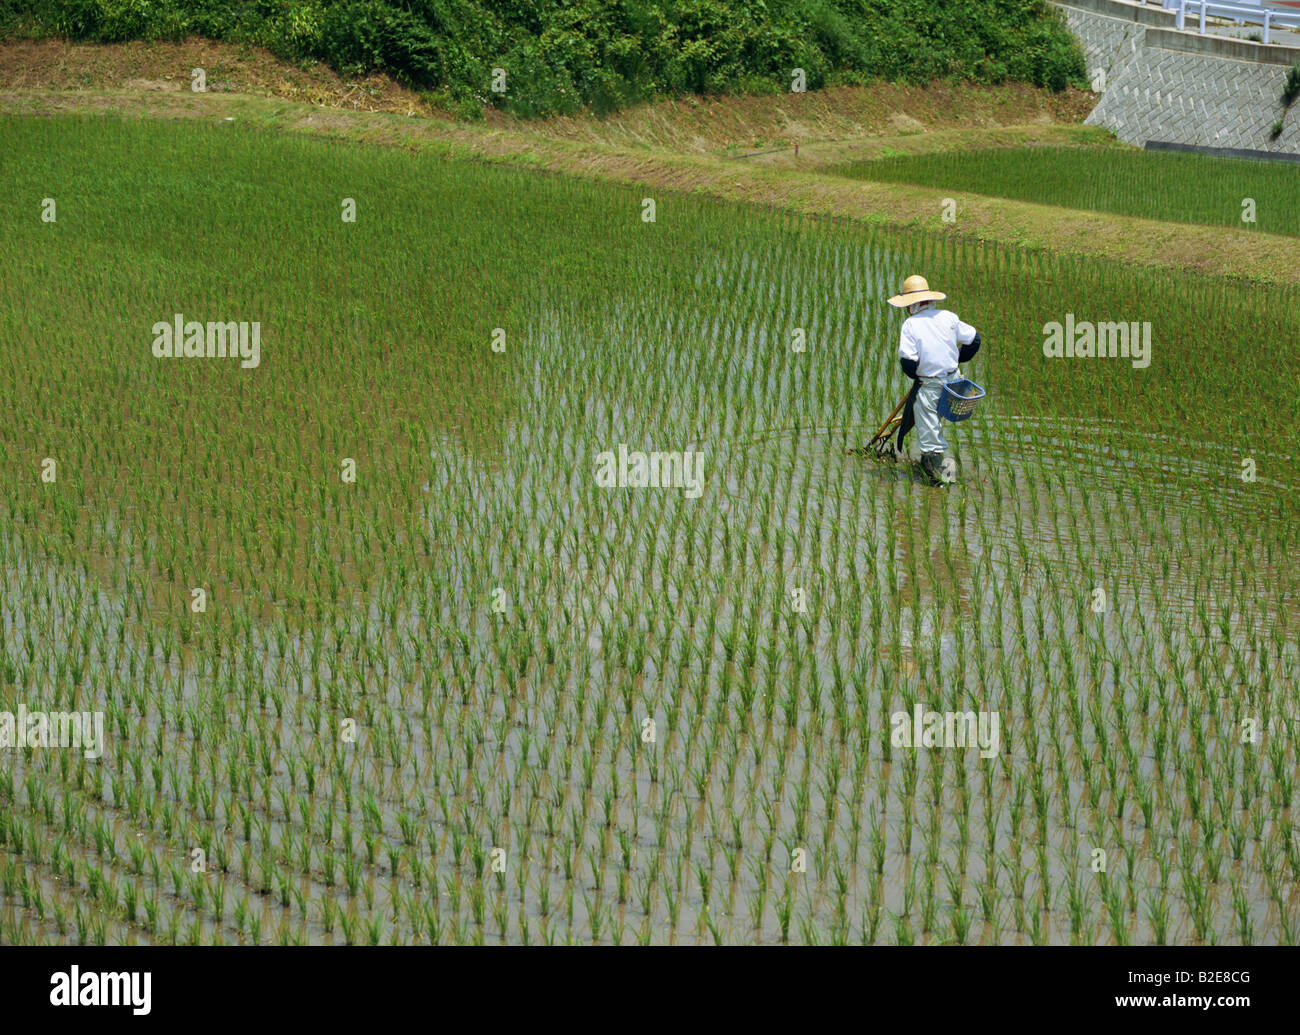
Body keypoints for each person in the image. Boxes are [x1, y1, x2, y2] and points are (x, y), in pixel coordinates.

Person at [887, 275, 981, 485]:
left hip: (929, 386)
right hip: (954, 383)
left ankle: (940, 482)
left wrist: (919, 378)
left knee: (930, 438)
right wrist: (957, 358)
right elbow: (974, 340)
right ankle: (936, 470)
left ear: (911, 305)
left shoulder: (910, 325)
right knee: (935, 424)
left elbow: (908, 363)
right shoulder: (949, 317)